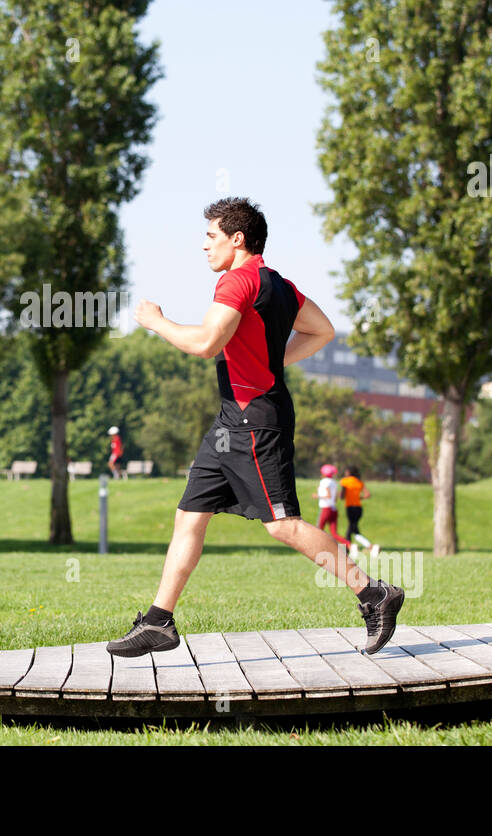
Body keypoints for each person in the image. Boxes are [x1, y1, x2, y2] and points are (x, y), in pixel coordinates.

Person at [107, 197, 404, 658]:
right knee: (189, 516)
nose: (204, 246)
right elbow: (322, 330)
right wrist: (271, 359)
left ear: (237, 239)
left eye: (211, 236)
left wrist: (157, 322)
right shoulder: (279, 285)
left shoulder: (238, 281)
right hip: (230, 421)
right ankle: (159, 622)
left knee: (283, 526)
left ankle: (374, 595)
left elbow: (207, 343)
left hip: (256, 421)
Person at [339, 466, 380, 559]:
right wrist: (359, 498)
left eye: (346, 471)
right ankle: (369, 546)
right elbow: (367, 494)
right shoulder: (359, 482)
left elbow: (342, 495)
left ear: (349, 472)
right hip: (358, 508)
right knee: (354, 529)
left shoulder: (345, 481)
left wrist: (341, 496)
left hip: (350, 507)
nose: (345, 473)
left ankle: (349, 549)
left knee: (350, 529)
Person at [316, 464, 348, 548]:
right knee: (334, 533)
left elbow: (328, 495)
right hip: (333, 508)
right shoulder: (334, 482)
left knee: (319, 530)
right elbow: (335, 498)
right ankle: (349, 545)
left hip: (326, 508)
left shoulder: (324, 482)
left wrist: (318, 496)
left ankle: (320, 547)